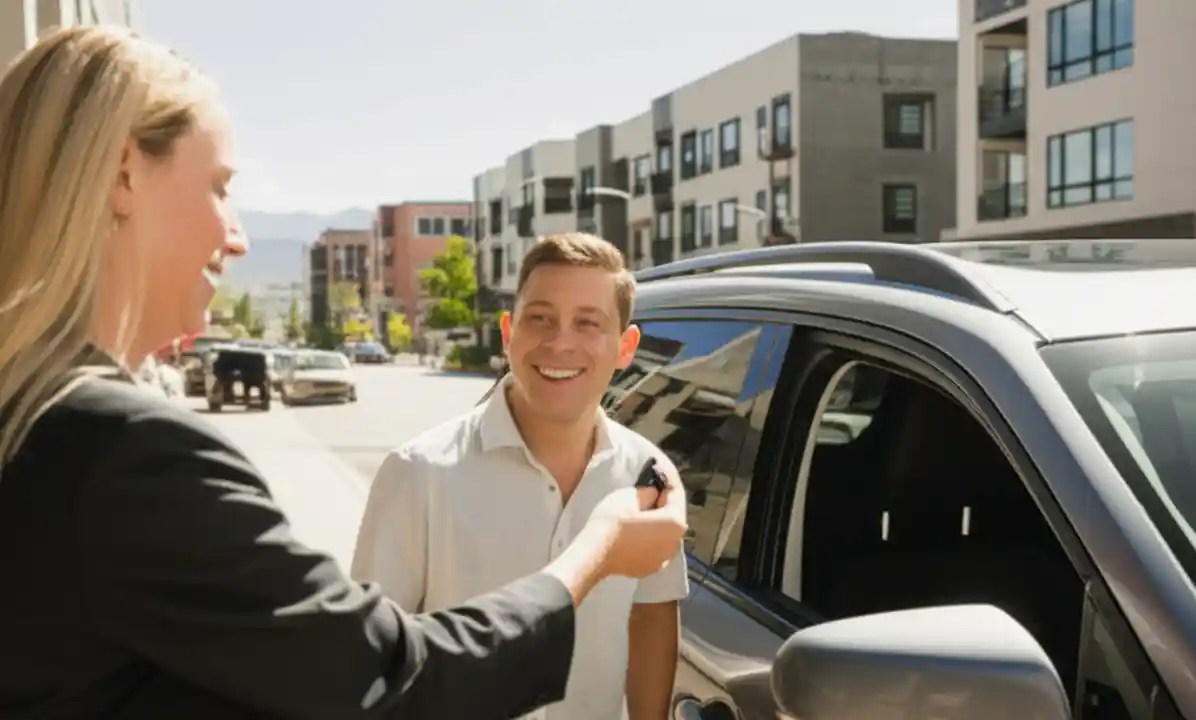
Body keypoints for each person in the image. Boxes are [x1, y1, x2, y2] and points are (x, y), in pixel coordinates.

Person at [0, 27, 687, 718]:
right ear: (124, 173)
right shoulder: (122, 452)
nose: (237, 235)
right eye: (219, 186)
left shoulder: (39, 422)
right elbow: (383, 679)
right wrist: (596, 553)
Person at [353, 233, 688, 720]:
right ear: (509, 332)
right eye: (541, 319)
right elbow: (369, 658)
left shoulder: (648, 475)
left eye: (588, 323)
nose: (560, 342)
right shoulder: (418, 472)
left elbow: (653, 613)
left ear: (625, 347)